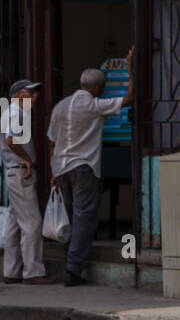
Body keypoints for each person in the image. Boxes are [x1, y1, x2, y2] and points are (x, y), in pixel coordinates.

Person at [46, 48, 135, 287]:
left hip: (61, 168)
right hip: (83, 168)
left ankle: (70, 262)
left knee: (71, 217)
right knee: (84, 219)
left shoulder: (60, 107)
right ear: (97, 88)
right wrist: (129, 67)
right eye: (103, 87)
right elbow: (129, 98)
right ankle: (73, 270)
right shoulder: (95, 105)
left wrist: (52, 172)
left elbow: (52, 142)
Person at [0, 80, 50, 284]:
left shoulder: (12, 113)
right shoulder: (16, 114)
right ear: (19, 95)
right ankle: (33, 272)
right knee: (32, 222)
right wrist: (27, 159)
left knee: (14, 223)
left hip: (14, 171)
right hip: (21, 172)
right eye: (31, 93)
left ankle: (11, 271)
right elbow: (11, 140)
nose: (35, 97)